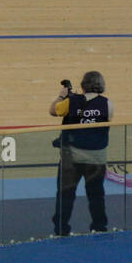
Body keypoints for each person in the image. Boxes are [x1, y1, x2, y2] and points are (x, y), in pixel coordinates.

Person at [50, 73, 113, 236]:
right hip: (96, 159)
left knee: (65, 194)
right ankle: (99, 227)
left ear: (83, 86)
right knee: (96, 195)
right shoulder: (107, 104)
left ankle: (61, 228)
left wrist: (62, 96)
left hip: (71, 158)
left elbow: (53, 111)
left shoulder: (71, 102)